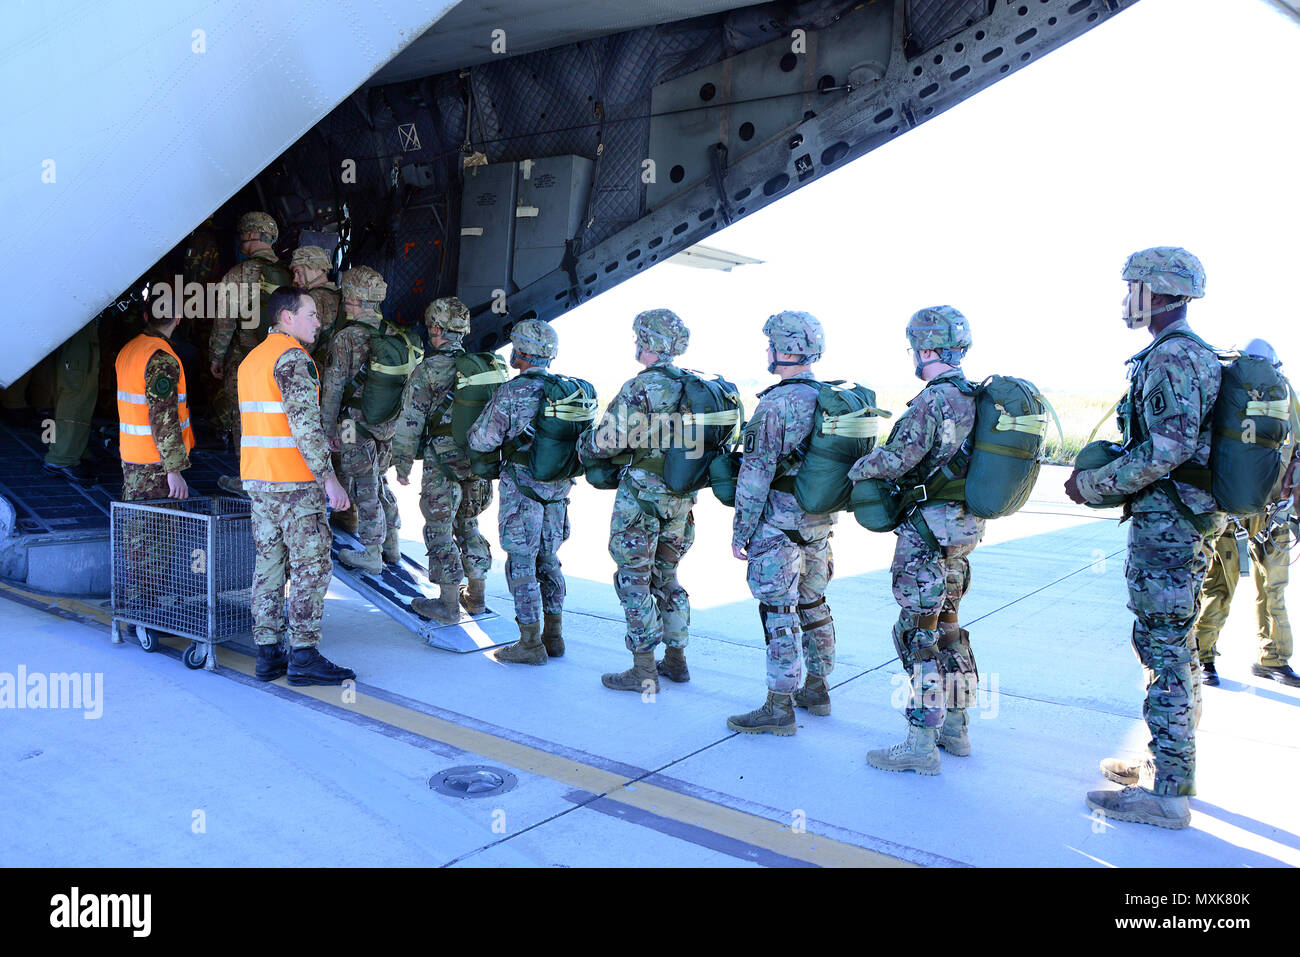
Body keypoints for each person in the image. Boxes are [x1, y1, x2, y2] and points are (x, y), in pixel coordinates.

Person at [1066, 246, 1226, 830]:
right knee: (1173, 648)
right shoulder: (1192, 355)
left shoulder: (1171, 359)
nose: (1124, 297)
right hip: (1184, 521)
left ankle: (1168, 794)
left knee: (1164, 653)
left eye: (1130, 286)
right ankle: (1170, 765)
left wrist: (1094, 484)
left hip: (1169, 526)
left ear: (1152, 291)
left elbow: (1168, 449)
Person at [852, 306, 982, 774]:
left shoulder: (933, 401)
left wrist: (857, 470)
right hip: (963, 532)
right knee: (950, 628)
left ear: (927, 348)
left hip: (927, 532)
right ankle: (957, 728)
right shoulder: (978, 397)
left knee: (919, 635)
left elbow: (897, 460)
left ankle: (920, 744)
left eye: (914, 346)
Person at [726, 311, 837, 736]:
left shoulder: (775, 403)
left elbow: (755, 475)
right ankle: (818, 688)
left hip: (778, 528)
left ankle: (779, 707)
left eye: (771, 344)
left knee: (779, 611)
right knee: (814, 605)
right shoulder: (830, 398)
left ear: (783, 349)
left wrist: (742, 533)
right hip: (819, 526)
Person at [238, 286, 354, 685]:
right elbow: (303, 426)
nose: (318, 322)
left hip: (260, 479)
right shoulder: (293, 359)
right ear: (287, 317)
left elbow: (270, 423)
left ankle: (268, 654)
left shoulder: (252, 360)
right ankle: (304, 654)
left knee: (268, 566)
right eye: (311, 314)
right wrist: (329, 478)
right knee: (311, 566)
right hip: (294, 484)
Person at [579, 309, 696, 692]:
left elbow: (607, 440)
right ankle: (676, 660)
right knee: (668, 578)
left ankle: (644, 670)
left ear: (649, 342)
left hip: (642, 499)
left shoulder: (643, 387)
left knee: (634, 581)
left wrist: (584, 445)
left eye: (638, 337)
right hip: (680, 500)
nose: (635, 343)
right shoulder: (695, 387)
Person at [1192, 338, 1299, 688]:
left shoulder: (1224, 390)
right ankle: (1273, 659)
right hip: (1275, 510)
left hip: (1229, 510)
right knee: (1274, 589)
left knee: (1217, 587)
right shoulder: (1285, 394)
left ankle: (1202, 659)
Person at [468, 319, 572, 664]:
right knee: (550, 561)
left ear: (522, 353)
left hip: (523, 493)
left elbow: (482, 439)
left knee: (522, 563)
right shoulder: (568, 391)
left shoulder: (514, 391)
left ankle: (529, 643)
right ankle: (553, 637)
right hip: (558, 492)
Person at [392, 297, 494, 622]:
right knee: (468, 524)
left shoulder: (429, 370)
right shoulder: (483, 367)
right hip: (477, 462)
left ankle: (448, 604)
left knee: (439, 527)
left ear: (436, 329)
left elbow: (411, 422)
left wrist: (404, 463)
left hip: (442, 463)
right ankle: (476, 596)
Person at [320, 265, 402, 574]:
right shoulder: (393, 334)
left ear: (355, 298)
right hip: (386, 423)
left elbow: (333, 387)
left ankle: (371, 553)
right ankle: (392, 541)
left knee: (362, 484)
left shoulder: (347, 337)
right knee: (379, 479)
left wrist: (327, 429)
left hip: (353, 425)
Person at [209, 211, 290, 450]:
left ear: (252, 234)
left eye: (244, 233)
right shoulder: (290, 274)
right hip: (282, 361)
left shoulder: (238, 274)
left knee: (244, 417)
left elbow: (224, 322)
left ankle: (246, 475)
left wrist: (216, 357)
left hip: (245, 360)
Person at [42, 319, 102, 485]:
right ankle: (61, 458)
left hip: (80, 333)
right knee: (77, 397)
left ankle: (72, 448)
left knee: (74, 392)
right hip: (81, 336)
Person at [291, 244, 342, 370]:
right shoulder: (337, 294)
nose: (296, 279)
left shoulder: (312, 298)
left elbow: (305, 344)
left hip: (314, 370)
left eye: (299, 273)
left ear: (315, 268)